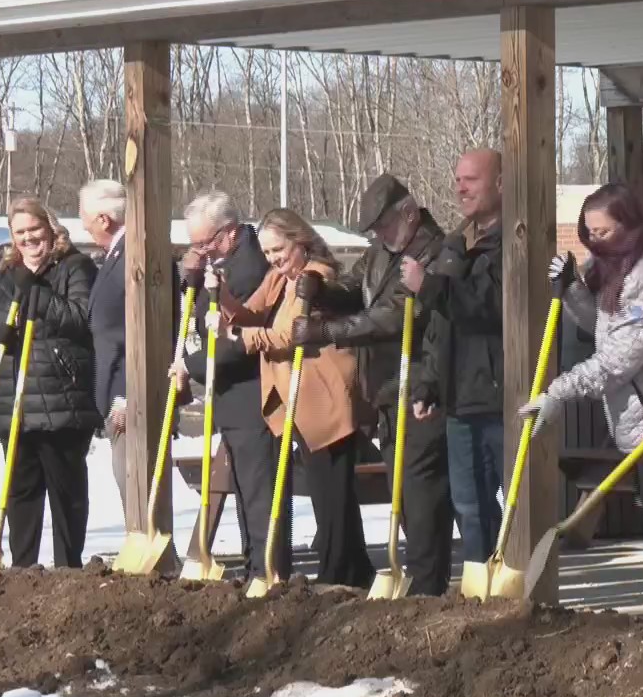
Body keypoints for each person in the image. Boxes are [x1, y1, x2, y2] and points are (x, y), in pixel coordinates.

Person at [522, 184, 643, 609]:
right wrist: (574, 288)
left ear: (630, 227)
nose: (595, 241)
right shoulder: (614, 269)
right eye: (588, 232)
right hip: (636, 419)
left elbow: (619, 358)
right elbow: (603, 326)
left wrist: (558, 393)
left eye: (604, 231)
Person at [301, 173, 452, 595]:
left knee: (421, 500)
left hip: (420, 387)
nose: (380, 235)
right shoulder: (381, 252)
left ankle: (428, 588)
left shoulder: (433, 252)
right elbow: (356, 289)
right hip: (385, 391)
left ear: (408, 212)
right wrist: (323, 292)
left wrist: (328, 334)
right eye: (375, 231)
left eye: (385, 225)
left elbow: (396, 313)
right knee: (403, 495)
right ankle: (422, 582)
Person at [217, 208, 374, 590]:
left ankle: (338, 573)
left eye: (279, 250)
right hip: (296, 400)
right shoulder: (279, 279)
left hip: (324, 400)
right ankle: (355, 569)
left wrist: (245, 341)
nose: (273, 259)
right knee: (327, 491)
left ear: (299, 242)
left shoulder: (316, 278)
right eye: (268, 252)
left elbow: (288, 333)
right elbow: (248, 313)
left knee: (330, 492)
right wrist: (219, 293)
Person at [0, 198, 100, 567]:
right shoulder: (3, 274)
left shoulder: (75, 267)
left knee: (65, 490)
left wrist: (37, 297)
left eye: (34, 230)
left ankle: (68, 565)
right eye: (20, 232)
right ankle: (24, 568)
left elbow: (81, 318)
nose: (28, 239)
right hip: (15, 401)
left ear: (50, 228)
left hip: (61, 400)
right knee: (20, 489)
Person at [170, 191, 284, 579]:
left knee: (259, 496)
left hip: (252, 397)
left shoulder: (250, 266)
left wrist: (190, 363)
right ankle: (255, 567)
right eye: (194, 244)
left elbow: (233, 343)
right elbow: (198, 321)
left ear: (230, 233)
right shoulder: (217, 264)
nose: (198, 251)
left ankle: (268, 571)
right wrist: (188, 280)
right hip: (228, 401)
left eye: (204, 243)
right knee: (243, 495)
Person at [401, 149, 505, 571]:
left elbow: (492, 307)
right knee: (469, 505)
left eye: (471, 180)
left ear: (500, 183)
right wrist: (428, 382)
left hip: (504, 395)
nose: (461, 187)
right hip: (460, 398)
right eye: (458, 179)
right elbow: (439, 327)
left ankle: (524, 591)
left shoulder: (515, 242)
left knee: (519, 504)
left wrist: (431, 286)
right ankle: (483, 590)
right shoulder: (455, 244)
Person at [79, 179, 157, 544]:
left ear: (104, 218)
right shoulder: (113, 255)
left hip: (129, 394)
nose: (84, 227)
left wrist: (128, 393)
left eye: (86, 219)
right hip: (113, 392)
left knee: (136, 484)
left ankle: (149, 558)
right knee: (124, 480)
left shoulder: (134, 255)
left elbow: (140, 329)